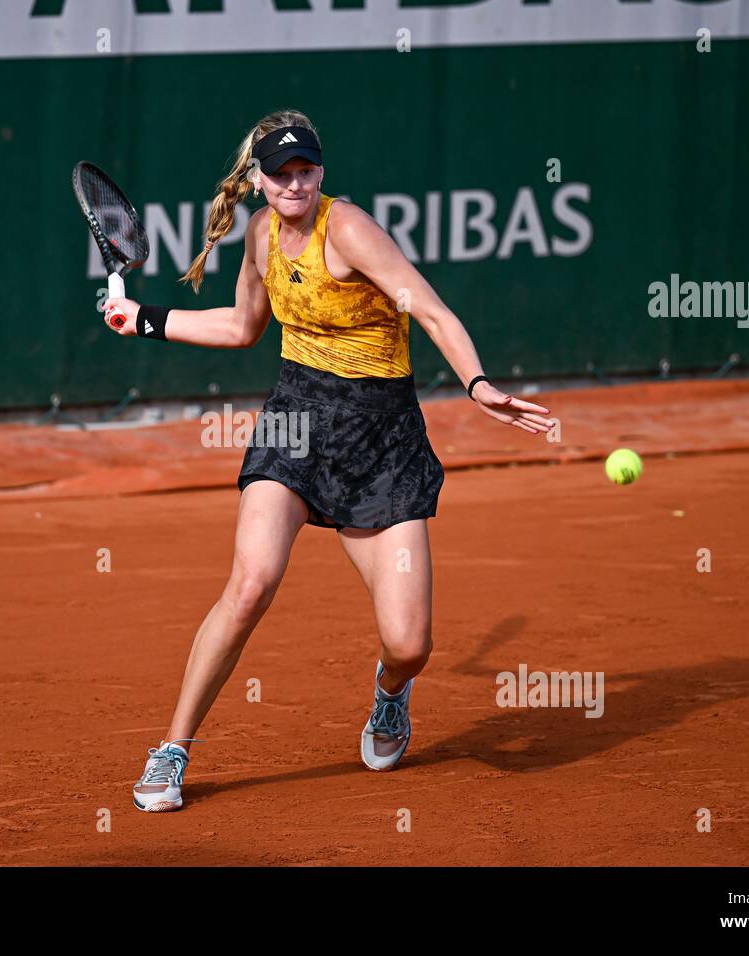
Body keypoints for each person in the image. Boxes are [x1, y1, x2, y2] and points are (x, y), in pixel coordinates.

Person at [101, 109, 552, 812]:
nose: (294, 183)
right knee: (251, 583)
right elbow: (242, 327)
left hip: (383, 439)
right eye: (279, 173)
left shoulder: (351, 230)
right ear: (257, 180)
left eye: (305, 170)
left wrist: (478, 384)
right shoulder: (259, 237)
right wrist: (147, 319)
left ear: (319, 171)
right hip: (296, 424)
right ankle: (173, 748)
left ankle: (390, 694)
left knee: (409, 643)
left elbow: (430, 311)